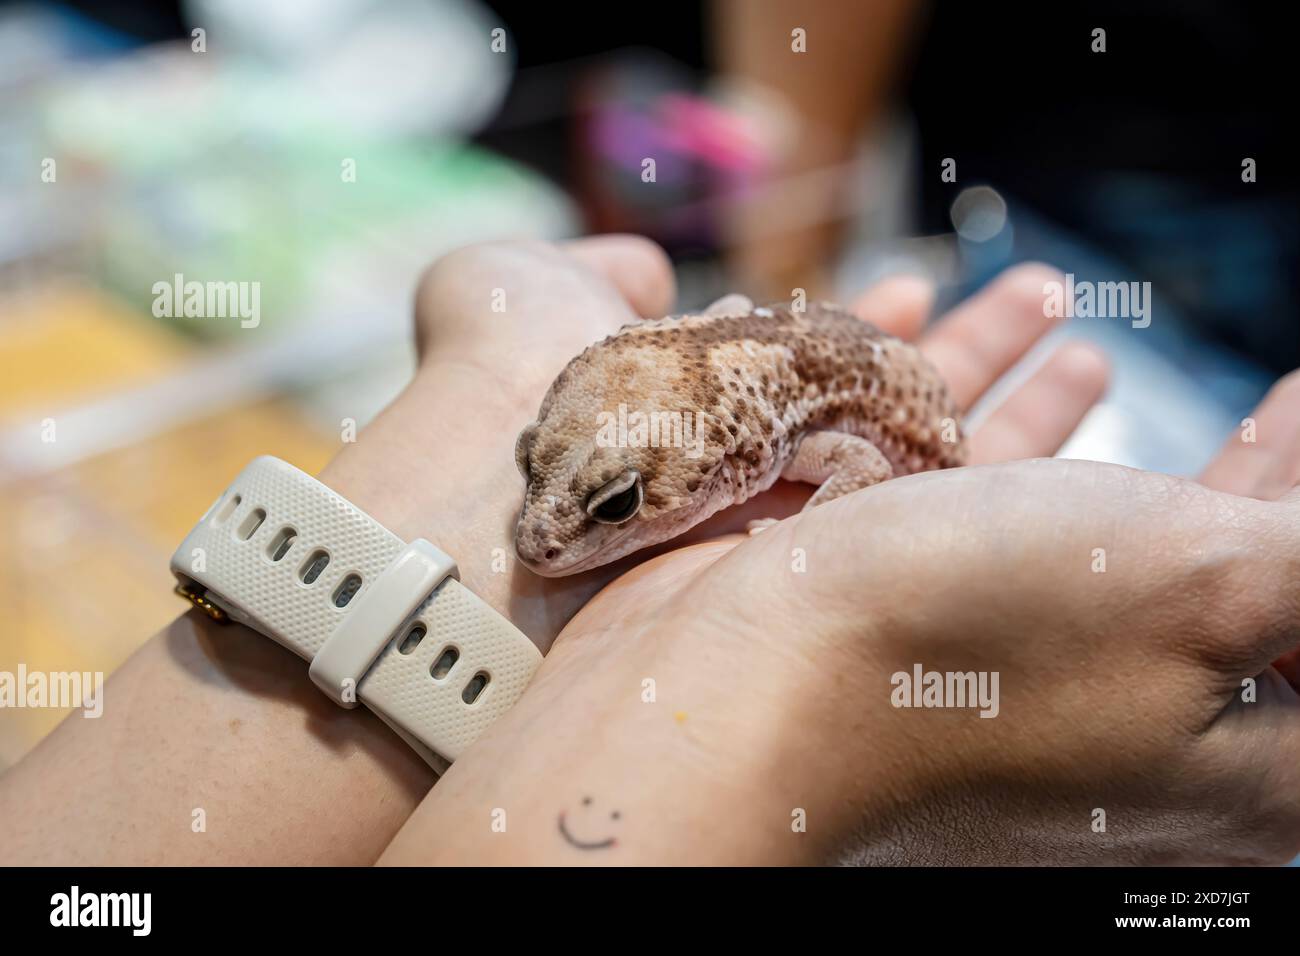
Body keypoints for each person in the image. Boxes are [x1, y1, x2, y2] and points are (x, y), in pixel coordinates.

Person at [2, 237, 1297, 865]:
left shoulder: (800, 439)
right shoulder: (682, 411)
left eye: (613, 507)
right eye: (537, 474)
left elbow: (849, 466)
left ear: (743, 461)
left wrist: (821, 574)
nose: (543, 534)